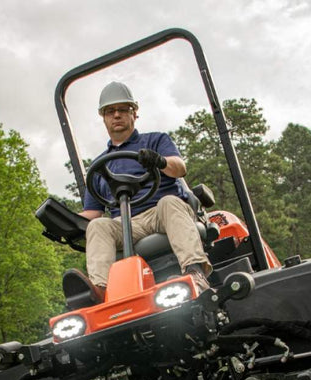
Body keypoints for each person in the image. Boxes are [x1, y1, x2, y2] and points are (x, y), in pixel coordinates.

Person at [63, 82, 212, 304]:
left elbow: (179, 167)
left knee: (169, 201)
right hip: (126, 224)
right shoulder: (99, 166)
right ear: (103, 118)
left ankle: (195, 272)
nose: (116, 115)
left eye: (123, 109)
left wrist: (159, 161)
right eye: (110, 111)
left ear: (134, 113)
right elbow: (92, 214)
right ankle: (101, 293)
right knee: (98, 226)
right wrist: (61, 223)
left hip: (161, 213)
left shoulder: (155, 140)